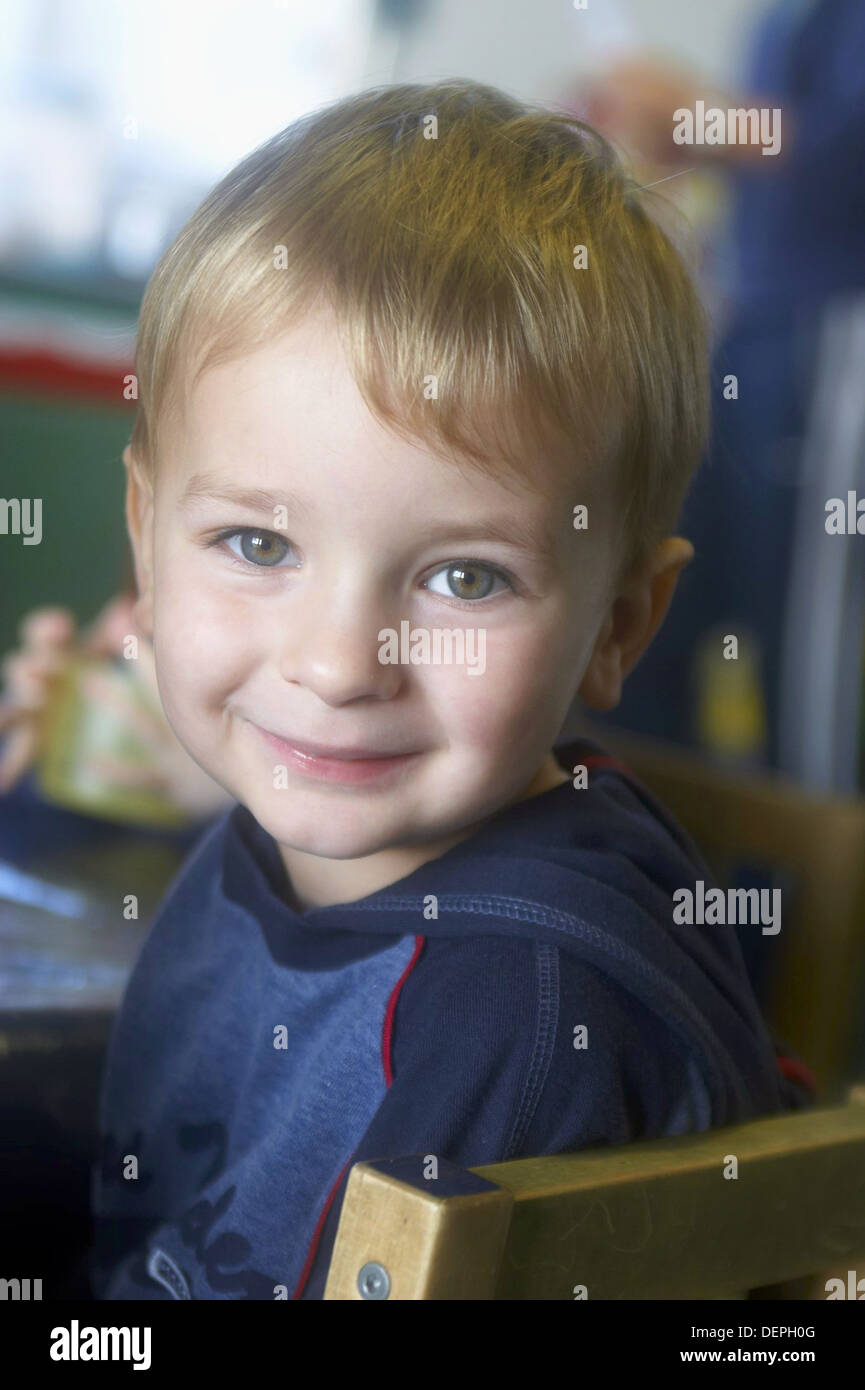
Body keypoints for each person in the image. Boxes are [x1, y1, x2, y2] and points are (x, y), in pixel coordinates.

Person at [89, 79, 815, 1303]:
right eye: (258, 547)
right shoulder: (337, 810)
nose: (333, 664)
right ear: (146, 537)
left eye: (463, 577)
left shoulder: (519, 1027)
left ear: (617, 625)